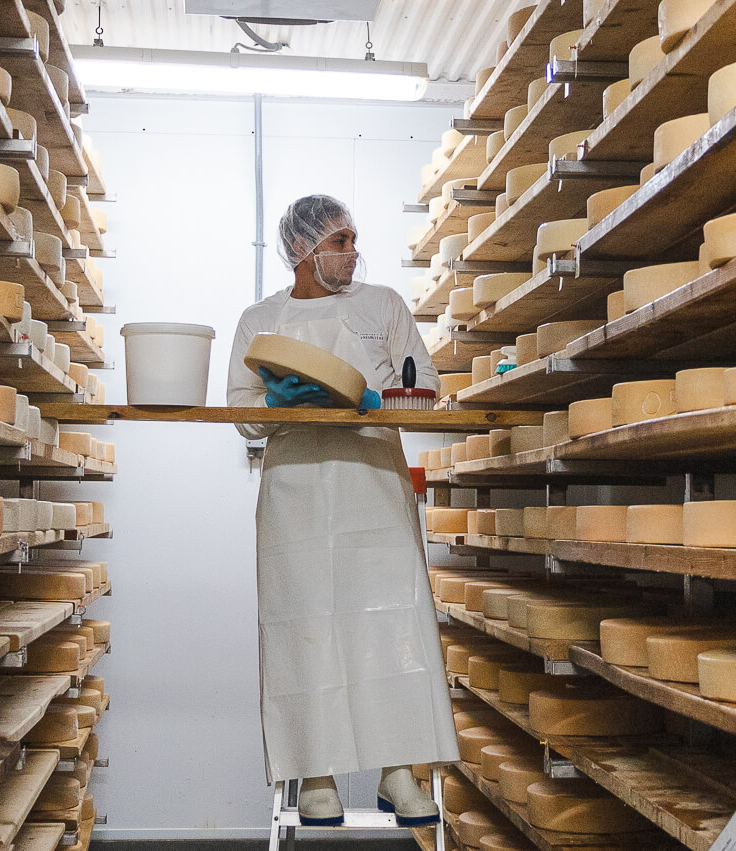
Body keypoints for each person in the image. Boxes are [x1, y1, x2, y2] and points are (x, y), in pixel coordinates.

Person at [226, 195, 457, 826]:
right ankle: (316, 774)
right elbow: (241, 415)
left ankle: (397, 772)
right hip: (296, 490)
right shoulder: (259, 319)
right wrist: (278, 405)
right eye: (339, 241)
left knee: (392, 623)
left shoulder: (383, 304)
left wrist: (378, 399)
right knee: (303, 626)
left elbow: (426, 385)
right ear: (302, 249)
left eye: (353, 240)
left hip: (372, 479)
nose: (353, 252)